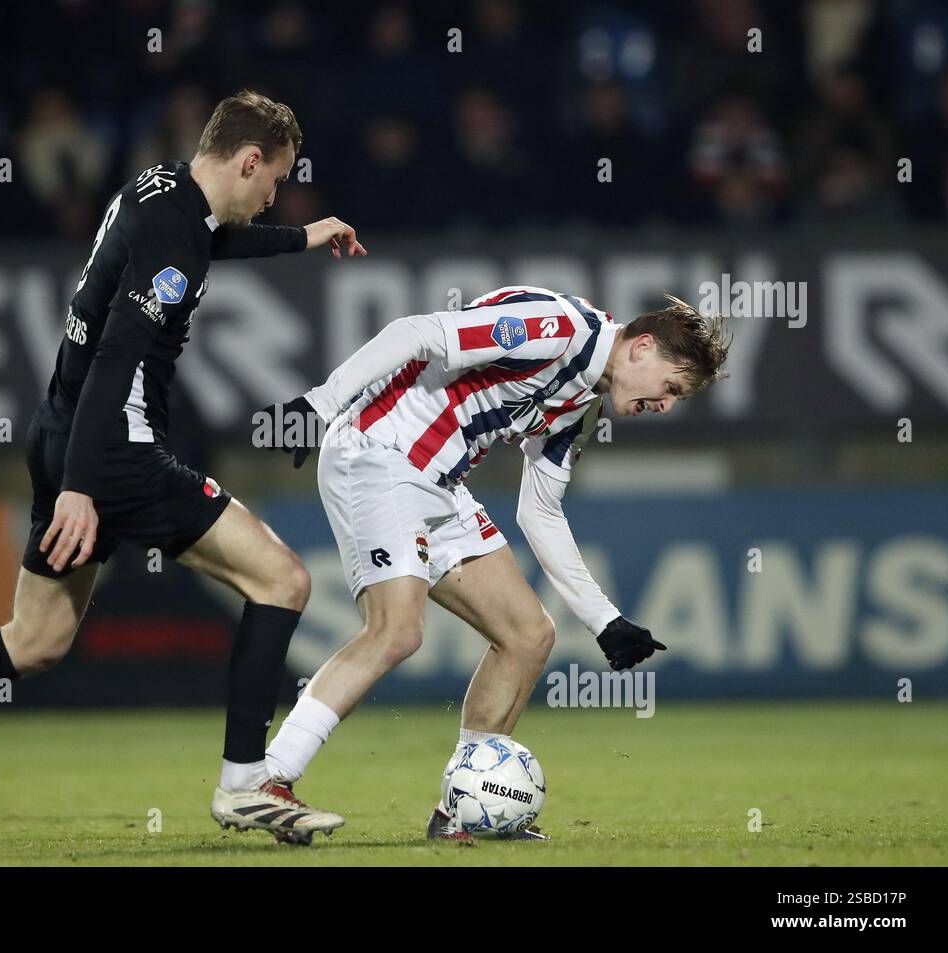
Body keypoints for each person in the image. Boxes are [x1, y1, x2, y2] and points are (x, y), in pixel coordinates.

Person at [0, 90, 367, 852]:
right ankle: (245, 783)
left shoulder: (160, 187)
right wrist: (81, 487)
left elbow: (211, 245)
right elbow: (117, 355)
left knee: (32, 642)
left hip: (57, 427)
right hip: (115, 451)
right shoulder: (177, 234)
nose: (276, 192)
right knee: (284, 580)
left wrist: (300, 236)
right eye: (274, 179)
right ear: (247, 160)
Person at [259, 285, 729, 840]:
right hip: (379, 451)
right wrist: (319, 402)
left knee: (528, 635)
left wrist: (604, 619)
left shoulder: (579, 404)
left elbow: (540, 512)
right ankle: (268, 779)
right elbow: (418, 333)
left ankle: (462, 808)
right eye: (670, 387)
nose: (666, 404)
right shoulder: (558, 328)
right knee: (396, 630)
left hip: (439, 480)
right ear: (641, 348)